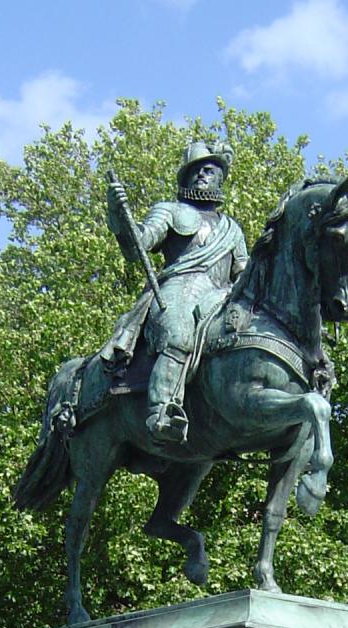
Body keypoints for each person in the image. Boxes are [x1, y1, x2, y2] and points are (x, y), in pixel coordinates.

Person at [101, 141, 249, 444]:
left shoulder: (233, 229)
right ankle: (162, 412)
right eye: (195, 171)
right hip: (178, 288)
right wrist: (119, 216)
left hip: (220, 297)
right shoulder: (169, 211)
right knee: (179, 334)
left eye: (209, 170)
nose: (201, 176)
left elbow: (243, 272)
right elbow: (139, 244)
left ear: (221, 177)